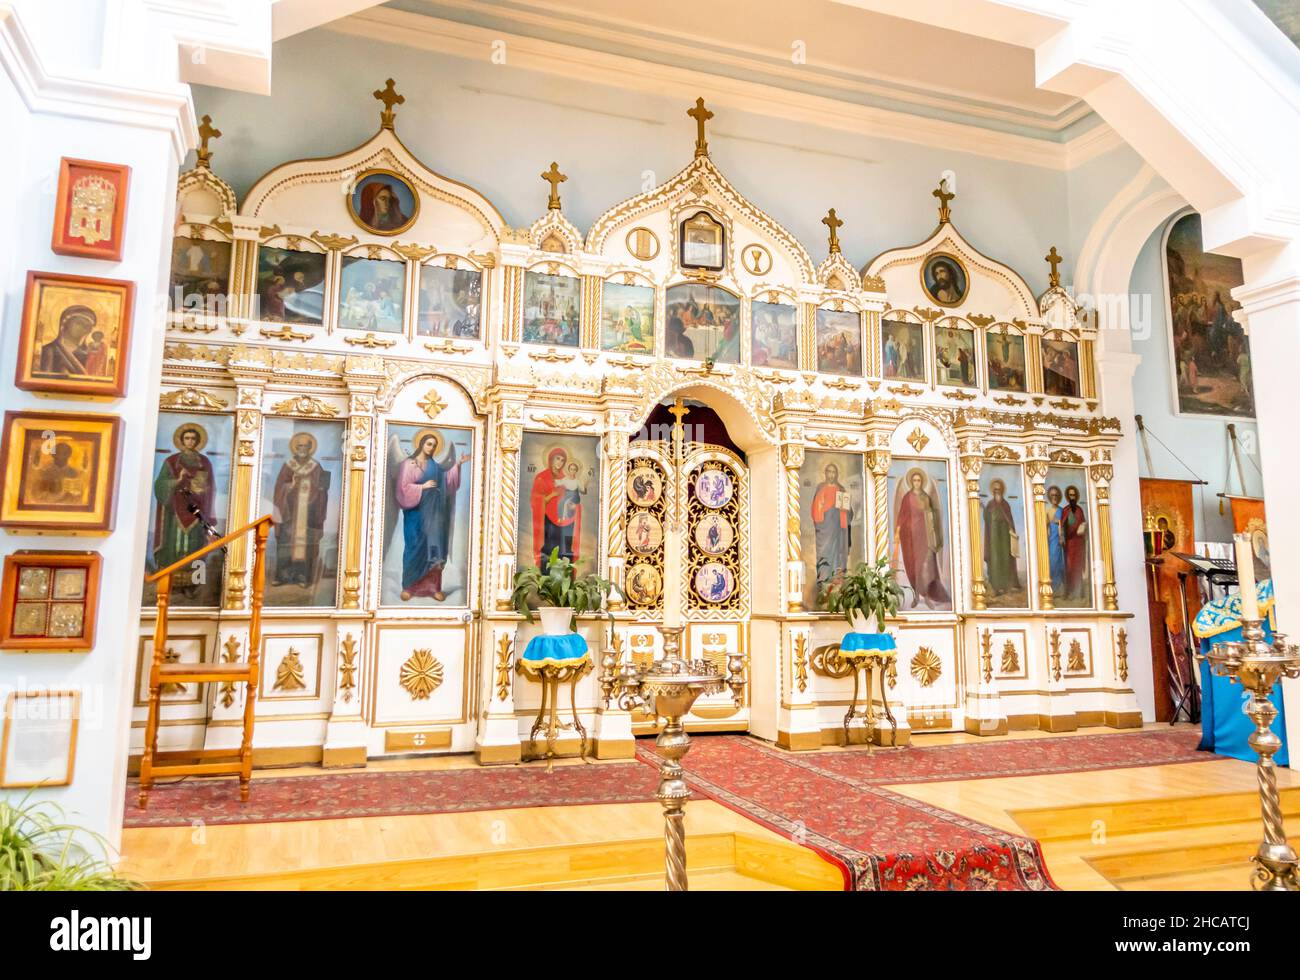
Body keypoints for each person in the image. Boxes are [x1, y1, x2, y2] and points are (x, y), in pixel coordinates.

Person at [394, 429, 471, 601]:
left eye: (434, 445)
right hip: (416, 516)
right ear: (421, 444)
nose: (431, 448)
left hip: (435, 514)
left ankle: (434, 587)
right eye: (429, 444)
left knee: (435, 549)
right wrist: (422, 487)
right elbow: (402, 489)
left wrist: (458, 464)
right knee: (414, 548)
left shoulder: (435, 466)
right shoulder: (409, 464)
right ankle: (409, 587)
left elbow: (446, 481)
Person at [152, 423, 217, 596]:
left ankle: (191, 585)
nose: (190, 441)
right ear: (181, 440)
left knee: (195, 546)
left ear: (197, 441)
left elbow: (211, 487)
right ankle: (171, 583)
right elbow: (160, 485)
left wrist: (203, 491)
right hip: (174, 513)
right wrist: (177, 480)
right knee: (173, 546)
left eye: (193, 438)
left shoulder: (204, 462)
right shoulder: (171, 461)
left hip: (196, 511)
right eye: (186, 438)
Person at [271, 432, 331, 589]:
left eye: (305, 446)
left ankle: (302, 575)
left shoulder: (316, 466)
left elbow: (322, 489)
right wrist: (289, 486)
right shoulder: (288, 465)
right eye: (299, 446)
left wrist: (318, 491)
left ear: (310, 448)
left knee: (305, 545)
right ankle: (282, 575)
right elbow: (279, 487)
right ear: (295, 448)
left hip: (308, 513)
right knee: (285, 543)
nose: (302, 449)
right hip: (288, 513)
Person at [894, 468, 950, 608]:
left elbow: (933, 516)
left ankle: (927, 596)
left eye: (919, 480)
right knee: (914, 567)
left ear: (922, 482)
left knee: (926, 567)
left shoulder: (926, 498)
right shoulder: (907, 497)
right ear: (911, 482)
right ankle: (917, 596)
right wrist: (898, 530)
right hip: (911, 537)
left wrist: (930, 513)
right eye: (914, 480)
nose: (917, 483)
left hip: (925, 537)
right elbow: (902, 515)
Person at [529, 447, 583, 569]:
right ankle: (547, 579)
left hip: (565, 521)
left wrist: (575, 506)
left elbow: (575, 496)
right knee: (549, 548)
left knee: (564, 550)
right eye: (557, 458)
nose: (560, 462)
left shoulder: (567, 478)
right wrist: (552, 496)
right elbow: (535, 501)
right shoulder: (541, 477)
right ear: (550, 459)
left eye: (562, 460)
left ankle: (564, 582)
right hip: (548, 521)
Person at [811, 462, 853, 594]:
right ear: (825, 473)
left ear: (837, 474)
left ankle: (837, 579)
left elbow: (849, 513)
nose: (831, 474)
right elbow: (815, 510)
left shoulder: (841, 489)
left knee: (838, 552)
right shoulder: (820, 488)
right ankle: (823, 580)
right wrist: (822, 508)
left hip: (838, 529)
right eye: (829, 471)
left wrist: (845, 509)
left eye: (833, 472)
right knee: (825, 552)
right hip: (825, 528)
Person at [37, 305, 96, 378]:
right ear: (65, 323)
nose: (83, 328)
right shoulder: (49, 350)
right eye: (79, 323)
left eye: (87, 326)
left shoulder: (89, 354)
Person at [982, 478, 1019, 596]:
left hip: (1004, 537)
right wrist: (984, 509)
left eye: (999, 489)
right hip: (994, 538)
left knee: (1005, 560)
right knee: (995, 560)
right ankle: (996, 587)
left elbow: (1010, 520)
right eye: (995, 489)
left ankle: (1006, 585)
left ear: (1002, 490)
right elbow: (987, 519)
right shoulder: (990, 504)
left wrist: (1011, 530)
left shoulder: (1006, 504)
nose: (997, 491)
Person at [1059, 485, 1089, 601]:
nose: (1072, 497)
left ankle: (1079, 591)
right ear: (1068, 496)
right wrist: (1063, 536)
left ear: (1076, 496)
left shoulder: (1080, 510)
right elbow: (1062, 526)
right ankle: (1069, 592)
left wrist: (1082, 527)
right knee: (1070, 567)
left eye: (1074, 495)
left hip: (1079, 543)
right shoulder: (1065, 510)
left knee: (1078, 567)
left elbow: (1083, 523)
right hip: (1070, 544)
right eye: (1070, 495)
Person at [1046, 485, 1066, 596]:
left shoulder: (1062, 510)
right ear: (1049, 496)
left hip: (1061, 540)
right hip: (1052, 541)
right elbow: (1044, 527)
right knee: (1053, 562)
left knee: (1061, 564)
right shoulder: (1048, 511)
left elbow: (1066, 524)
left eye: (1056, 495)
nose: (1054, 497)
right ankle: (1053, 588)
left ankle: (1061, 589)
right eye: (1052, 495)